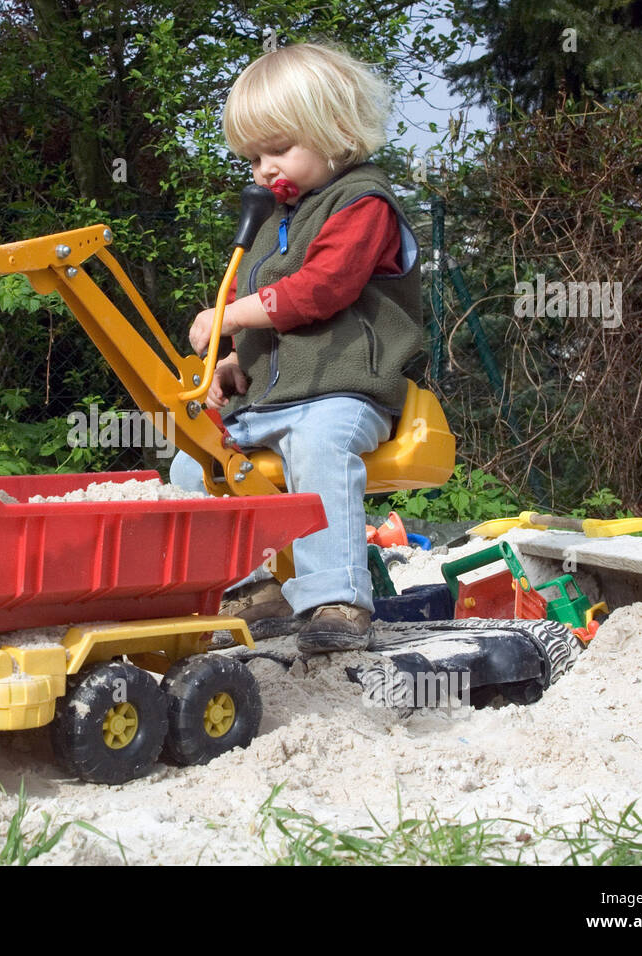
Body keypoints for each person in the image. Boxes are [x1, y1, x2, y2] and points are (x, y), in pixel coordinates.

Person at [168, 42, 423, 653]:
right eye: (253, 156)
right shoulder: (275, 220)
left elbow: (319, 291)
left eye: (279, 149)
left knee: (320, 447)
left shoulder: (362, 203)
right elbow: (270, 323)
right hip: (272, 400)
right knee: (193, 460)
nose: (262, 169)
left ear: (335, 132)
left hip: (342, 391)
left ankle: (336, 598)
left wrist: (226, 316)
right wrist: (237, 362)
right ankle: (247, 591)